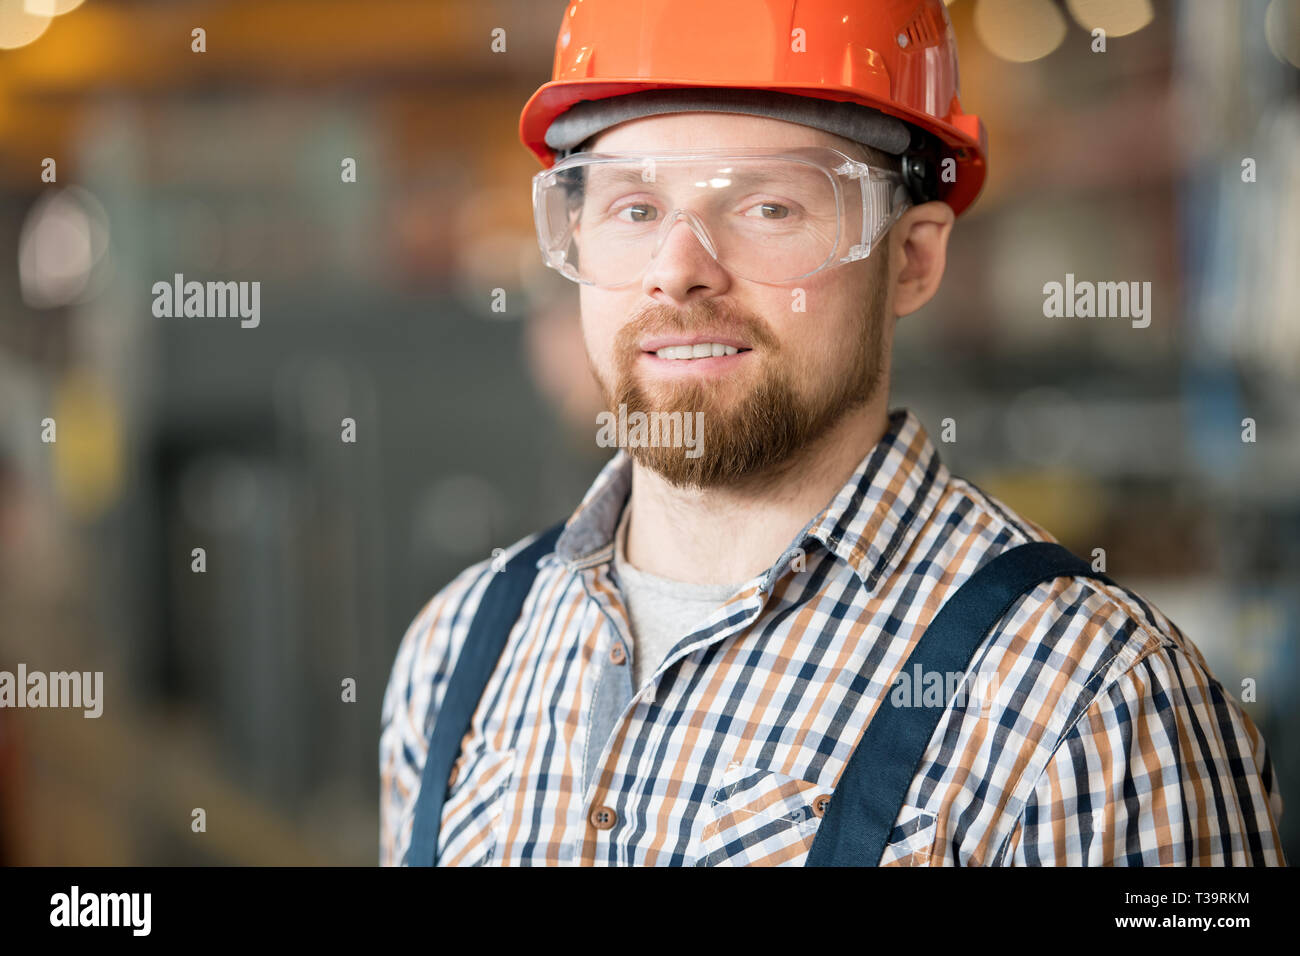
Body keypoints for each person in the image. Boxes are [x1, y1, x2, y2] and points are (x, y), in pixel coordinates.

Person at [380, 0, 1284, 866]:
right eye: (634, 209)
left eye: (768, 207)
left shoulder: (1091, 705)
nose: (677, 272)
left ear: (913, 259)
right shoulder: (458, 650)